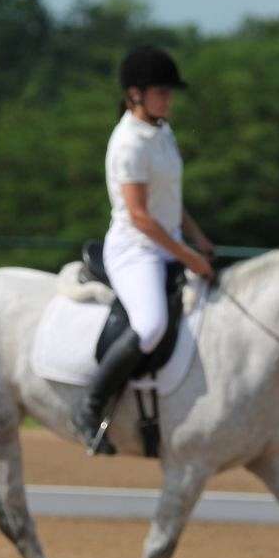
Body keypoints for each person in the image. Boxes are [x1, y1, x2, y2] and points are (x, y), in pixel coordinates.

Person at [72, 45, 216, 456]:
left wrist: (198, 238)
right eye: (161, 92)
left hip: (168, 242)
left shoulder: (162, 132)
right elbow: (139, 215)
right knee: (150, 326)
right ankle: (89, 406)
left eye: (169, 92)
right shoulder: (128, 143)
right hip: (136, 250)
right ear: (135, 94)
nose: (168, 99)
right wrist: (188, 256)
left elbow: (168, 200)